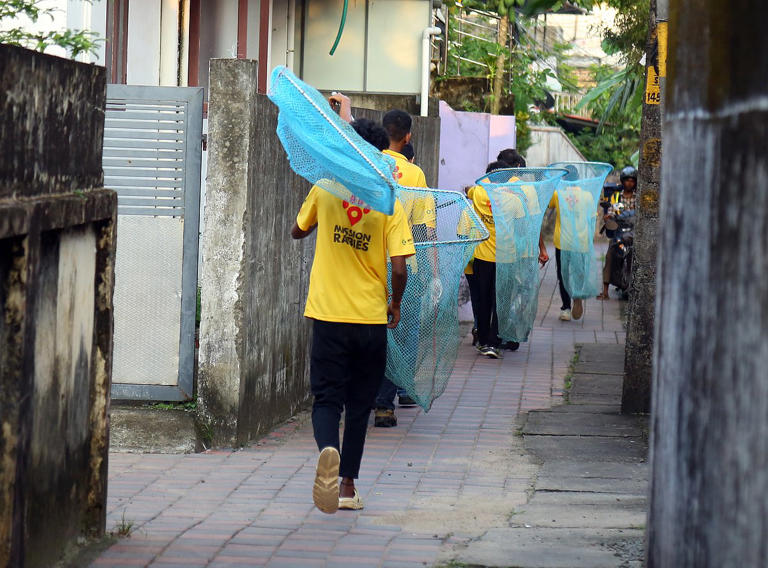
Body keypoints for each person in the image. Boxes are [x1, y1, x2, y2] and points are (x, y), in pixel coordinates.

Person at [292, 107, 416, 514]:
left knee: (327, 399)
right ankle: (346, 487)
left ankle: (328, 448)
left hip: (328, 315)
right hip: (369, 320)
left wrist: (318, 221)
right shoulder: (388, 200)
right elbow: (400, 267)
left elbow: (297, 229)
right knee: (361, 405)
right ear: (381, 155)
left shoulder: (326, 186)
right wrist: (395, 303)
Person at [373, 109, 435, 427]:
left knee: (373, 332)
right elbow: (422, 230)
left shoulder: (368, 164)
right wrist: (425, 271)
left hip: (367, 263)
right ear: (407, 136)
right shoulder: (415, 174)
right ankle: (391, 399)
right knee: (402, 331)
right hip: (404, 263)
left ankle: (373, 397)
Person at [597, 166, 637, 300]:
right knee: (610, 256)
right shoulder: (616, 196)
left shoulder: (639, 198)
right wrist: (608, 217)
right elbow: (610, 211)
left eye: (632, 181)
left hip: (634, 232)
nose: (629, 183)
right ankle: (605, 291)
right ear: (623, 181)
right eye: (627, 180)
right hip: (619, 231)